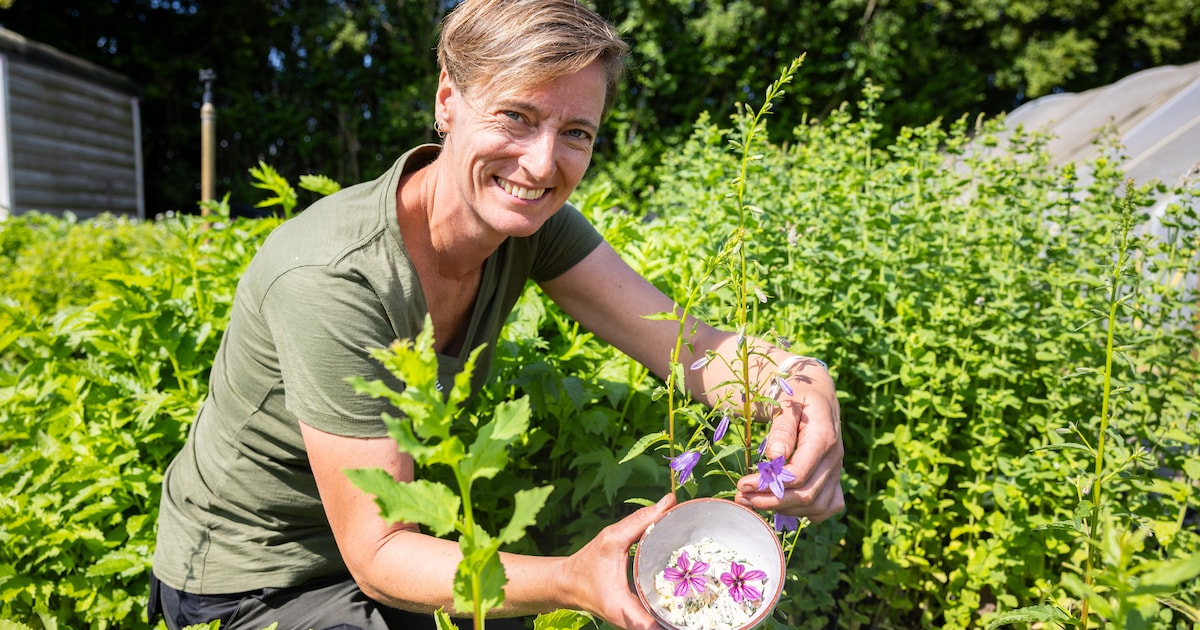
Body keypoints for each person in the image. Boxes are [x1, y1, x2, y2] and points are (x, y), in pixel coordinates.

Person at [148, 0, 844, 628]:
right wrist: (574, 579)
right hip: (257, 582)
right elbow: (380, 551)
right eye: (517, 116)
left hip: (401, 549)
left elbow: (692, 350)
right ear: (448, 100)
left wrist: (806, 386)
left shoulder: (533, 227)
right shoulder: (335, 277)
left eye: (577, 132)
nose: (543, 164)